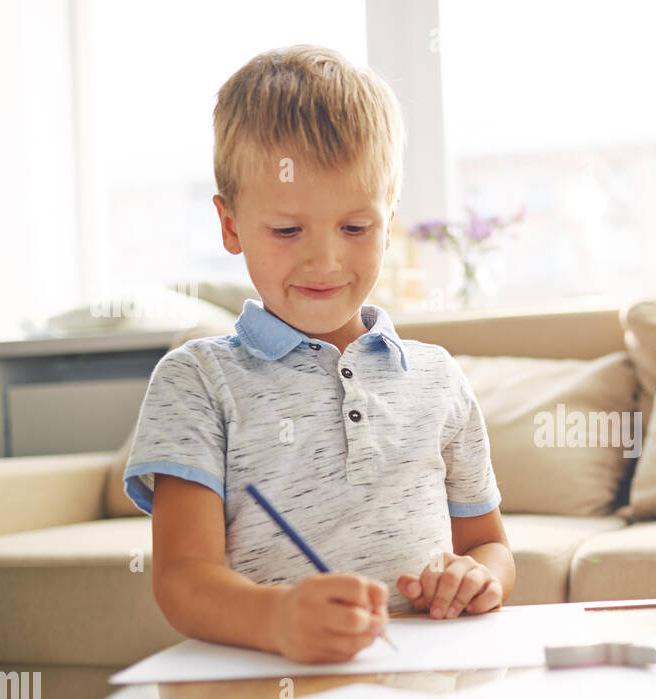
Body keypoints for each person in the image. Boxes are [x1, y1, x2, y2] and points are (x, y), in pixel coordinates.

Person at [124, 46, 513, 663]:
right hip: (270, 687)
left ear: (391, 220)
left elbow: (489, 546)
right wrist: (279, 619)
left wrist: (478, 579)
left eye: (356, 228)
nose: (325, 261)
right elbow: (182, 582)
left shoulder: (438, 377)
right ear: (230, 225)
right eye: (286, 230)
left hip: (427, 684)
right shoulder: (196, 381)